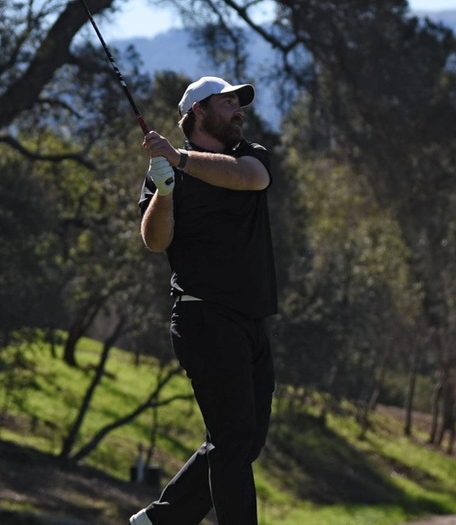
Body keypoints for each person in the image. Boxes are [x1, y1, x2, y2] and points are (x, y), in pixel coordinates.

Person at [131, 76, 277, 525]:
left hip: (251, 320)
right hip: (203, 316)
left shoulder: (249, 155)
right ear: (199, 111)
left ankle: (161, 521)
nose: (238, 110)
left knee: (245, 441)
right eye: (228, 102)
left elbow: (249, 179)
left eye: (238, 102)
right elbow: (156, 240)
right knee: (232, 440)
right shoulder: (166, 174)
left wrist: (180, 160)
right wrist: (164, 193)